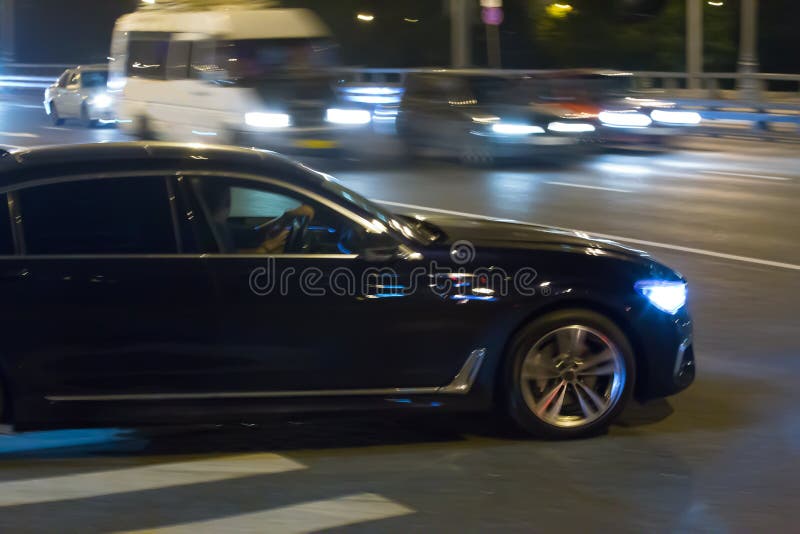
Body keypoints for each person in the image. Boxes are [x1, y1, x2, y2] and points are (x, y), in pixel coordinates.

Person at [201, 181, 314, 254]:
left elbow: (249, 236)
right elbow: (230, 263)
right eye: (227, 201)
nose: (230, 205)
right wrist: (267, 247)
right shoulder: (205, 232)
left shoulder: (216, 227)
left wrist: (283, 219)